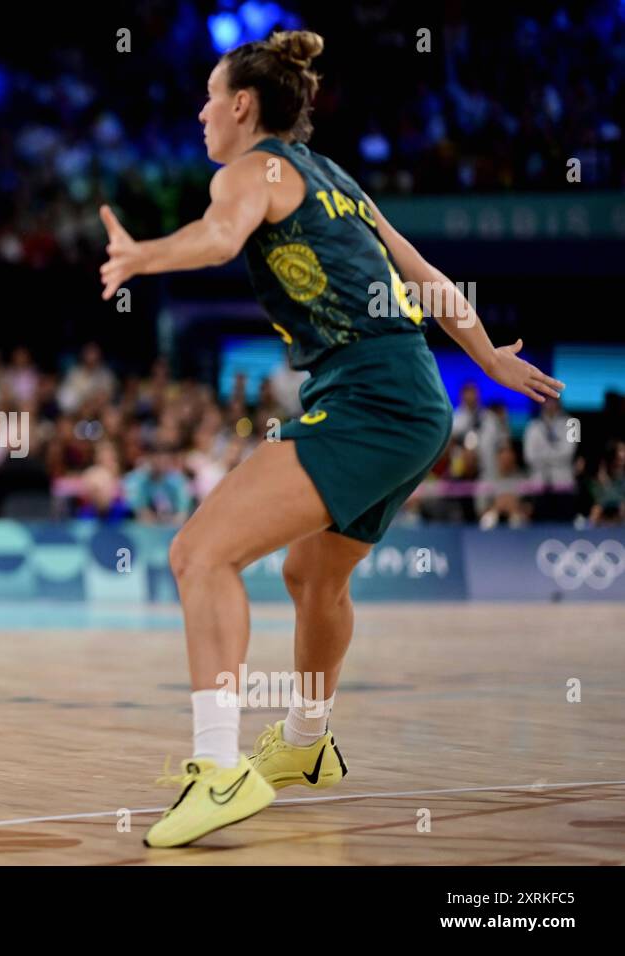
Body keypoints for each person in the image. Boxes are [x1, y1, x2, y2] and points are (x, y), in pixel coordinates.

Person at [99, 30, 563, 847]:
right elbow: (424, 275)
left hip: (369, 398)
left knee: (199, 555)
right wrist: (486, 355)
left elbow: (218, 238)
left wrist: (145, 255)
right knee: (313, 575)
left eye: (211, 98)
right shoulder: (334, 177)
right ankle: (307, 744)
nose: (202, 112)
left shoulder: (252, 170)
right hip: (415, 398)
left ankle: (219, 768)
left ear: (243, 105)